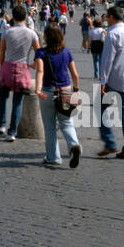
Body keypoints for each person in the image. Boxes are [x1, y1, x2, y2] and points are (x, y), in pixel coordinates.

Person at [35, 25, 82, 168]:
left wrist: (37, 89)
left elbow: (40, 72)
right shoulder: (66, 52)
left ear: (46, 38)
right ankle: (74, 144)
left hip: (48, 92)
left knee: (49, 126)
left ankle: (53, 157)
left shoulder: (41, 52)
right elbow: (74, 74)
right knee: (66, 122)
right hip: (66, 91)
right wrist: (76, 90)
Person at [97, 6, 124, 160]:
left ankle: (109, 142)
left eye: (107, 18)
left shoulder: (112, 34)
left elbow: (107, 60)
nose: (106, 21)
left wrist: (103, 81)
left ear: (111, 17)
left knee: (100, 108)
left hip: (114, 80)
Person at [0, 4, 39, 142]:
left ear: (13, 17)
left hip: (7, 66)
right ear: (26, 17)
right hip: (23, 68)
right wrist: (33, 64)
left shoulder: (7, 32)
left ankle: (1, 125)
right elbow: (39, 53)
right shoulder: (32, 34)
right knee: (18, 101)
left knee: (3, 96)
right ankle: (12, 132)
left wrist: (2, 65)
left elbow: (1, 53)